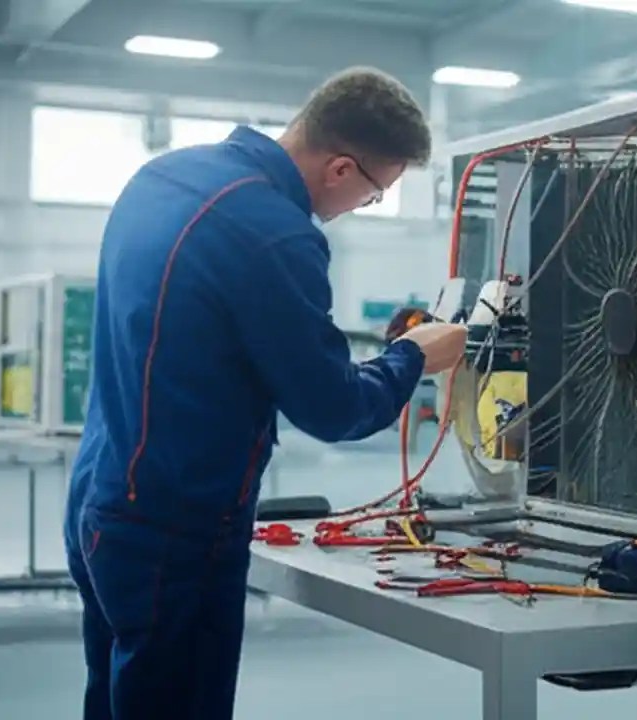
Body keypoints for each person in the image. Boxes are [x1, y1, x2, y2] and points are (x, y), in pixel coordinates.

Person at [62, 66, 468, 720]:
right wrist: (410, 359)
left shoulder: (163, 176)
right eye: (374, 194)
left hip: (101, 500)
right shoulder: (273, 232)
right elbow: (333, 406)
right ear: (341, 169)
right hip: (176, 527)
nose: (362, 208)